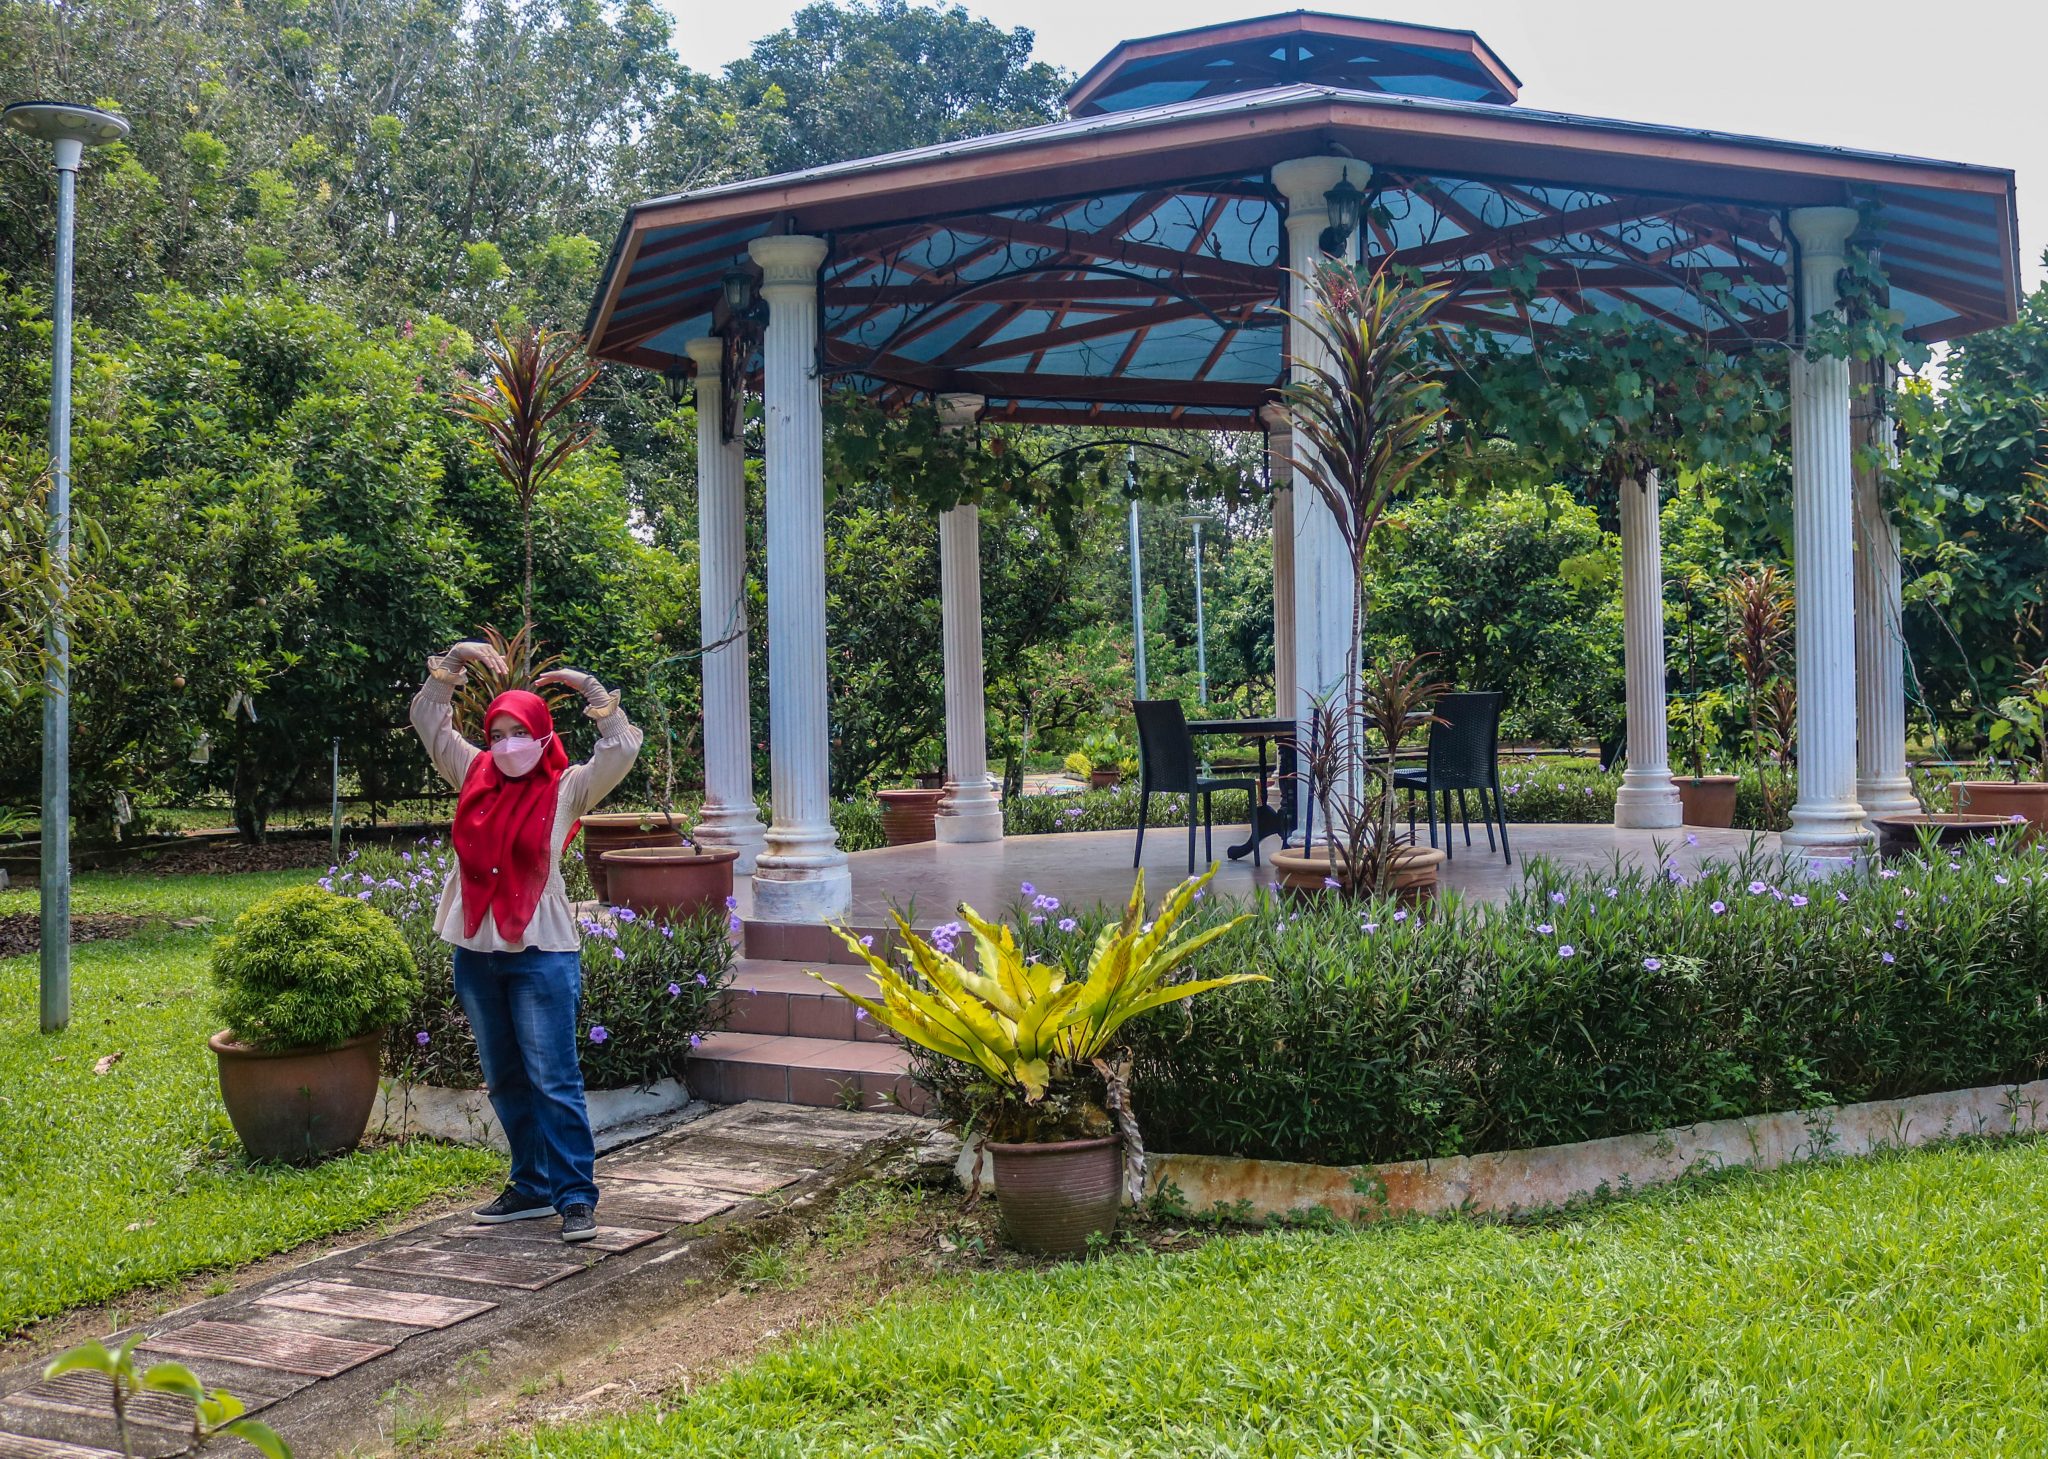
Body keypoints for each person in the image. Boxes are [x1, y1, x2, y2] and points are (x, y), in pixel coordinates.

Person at [410, 639, 643, 1244]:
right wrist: (454, 663)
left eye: (520, 732)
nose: (507, 744)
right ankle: (531, 1186)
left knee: (553, 1077)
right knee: (505, 1076)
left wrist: (595, 696)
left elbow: (621, 750)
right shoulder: (471, 772)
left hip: (541, 953)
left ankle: (574, 1197)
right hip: (476, 950)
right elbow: (428, 721)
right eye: (498, 732)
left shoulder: (566, 787)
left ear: (542, 735)